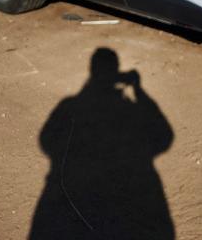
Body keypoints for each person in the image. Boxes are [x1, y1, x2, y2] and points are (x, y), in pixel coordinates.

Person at [29, 48, 175, 239]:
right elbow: (164, 136)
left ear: (92, 71)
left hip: (78, 194)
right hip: (127, 195)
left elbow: (46, 139)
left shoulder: (71, 105)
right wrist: (138, 90)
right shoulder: (129, 109)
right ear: (115, 73)